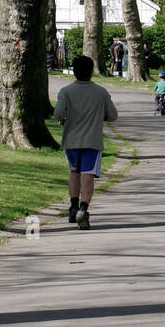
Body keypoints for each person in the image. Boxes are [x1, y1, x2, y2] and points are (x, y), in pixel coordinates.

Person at [53, 54, 118, 230]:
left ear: (74, 72)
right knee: (88, 174)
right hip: (92, 140)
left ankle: (73, 207)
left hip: (71, 140)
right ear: (91, 72)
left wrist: (66, 117)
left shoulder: (65, 92)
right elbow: (113, 116)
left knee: (74, 172)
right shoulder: (101, 92)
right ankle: (84, 208)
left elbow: (58, 114)